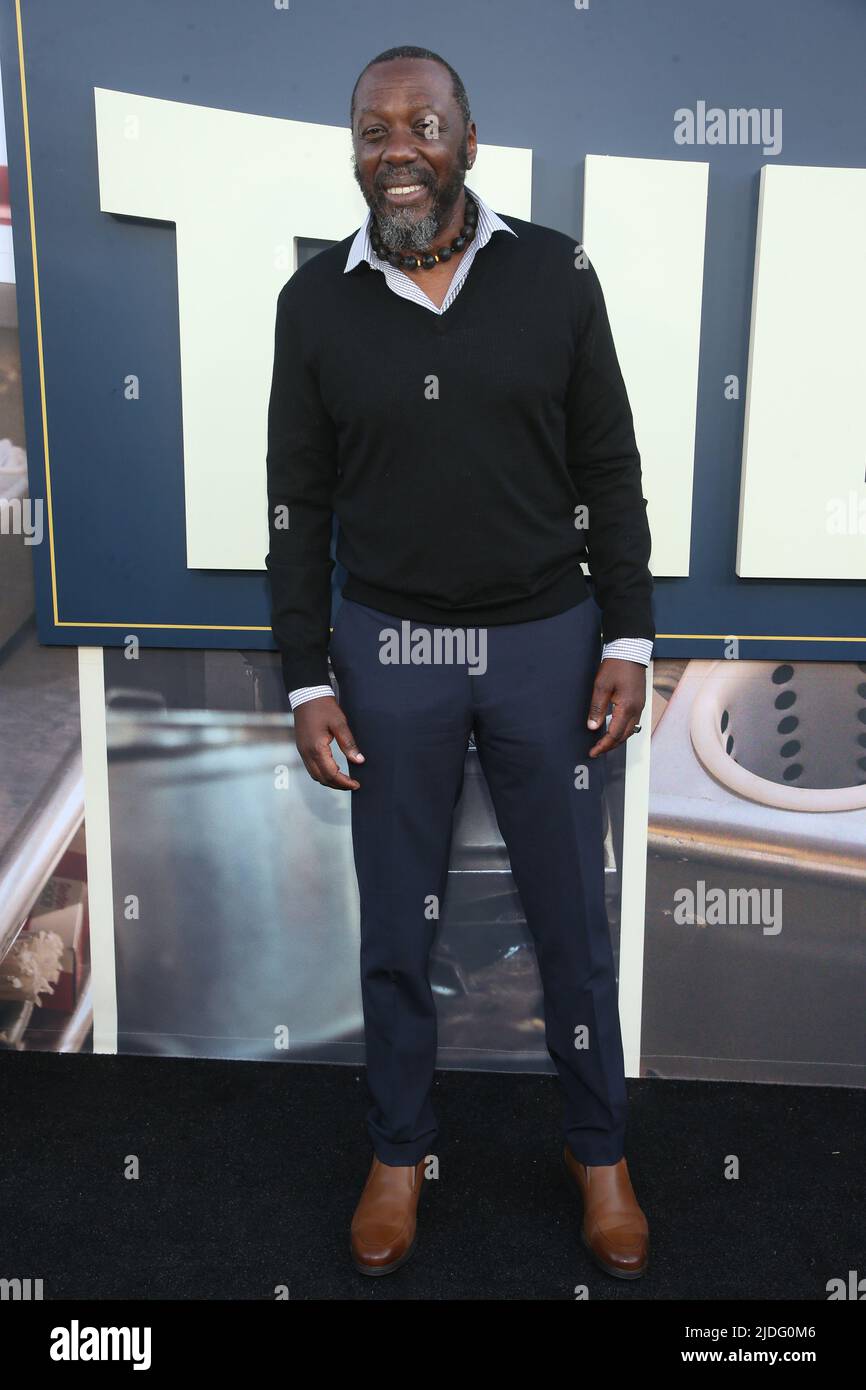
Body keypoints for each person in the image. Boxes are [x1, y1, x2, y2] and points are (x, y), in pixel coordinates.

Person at [265, 44, 654, 1281]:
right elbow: (297, 503)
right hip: (389, 649)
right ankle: (396, 1153)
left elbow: (608, 470)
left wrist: (629, 633)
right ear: (355, 153)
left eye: (421, 126)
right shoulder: (313, 304)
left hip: (546, 639)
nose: (397, 150)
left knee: (567, 925)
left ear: (468, 142)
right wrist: (306, 673)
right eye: (373, 131)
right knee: (397, 920)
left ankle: (598, 1154)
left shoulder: (554, 274)